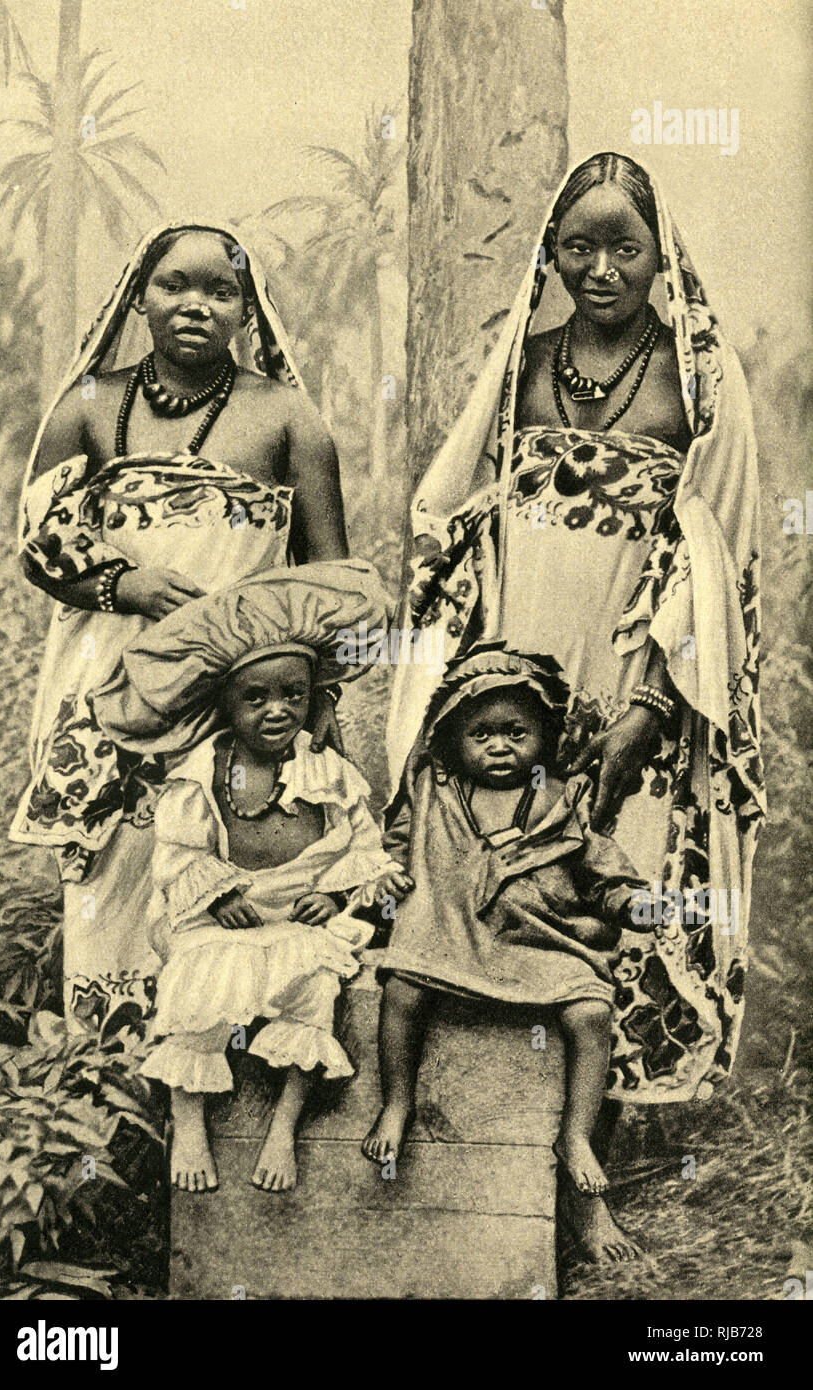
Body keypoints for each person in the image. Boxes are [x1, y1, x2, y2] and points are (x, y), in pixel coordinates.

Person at [387, 154, 765, 1260]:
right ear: (548, 257)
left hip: (638, 674)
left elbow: (722, 548)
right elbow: (455, 514)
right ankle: (487, 1166)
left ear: (663, 256)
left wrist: (652, 701)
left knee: (611, 889)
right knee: (501, 888)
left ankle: (580, 1185)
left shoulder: (700, 381)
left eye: (625, 248)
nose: (601, 269)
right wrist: (470, 673)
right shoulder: (523, 366)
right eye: (577, 248)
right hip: (518, 673)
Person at [10, 223, 348, 1036]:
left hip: (239, 688)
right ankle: (111, 1081)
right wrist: (126, 582)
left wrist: (323, 695)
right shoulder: (87, 405)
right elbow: (37, 540)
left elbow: (332, 574)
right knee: (113, 876)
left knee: (225, 865)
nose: (195, 304)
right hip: (108, 688)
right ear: (139, 296)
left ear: (246, 309)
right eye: (174, 285)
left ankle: (214, 1096)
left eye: (219, 290)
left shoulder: (286, 417)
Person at [93, 559, 396, 1193]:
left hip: (295, 915)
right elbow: (177, 854)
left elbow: (361, 849)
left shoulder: (327, 772)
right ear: (222, 704)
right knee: (197, 982)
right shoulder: (202, 772)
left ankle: (284, 1124)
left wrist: (335, 895)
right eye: (255, 698)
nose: (277, 711)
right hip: (217, 913)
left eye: (293, 694)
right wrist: (218, 887)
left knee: (315, 988)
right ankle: (190, 1113)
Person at [363, 645, 654, 1196]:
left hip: (538, 940)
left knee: (590, 1010)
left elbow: (600, 869)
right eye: (482, 735)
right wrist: (387, 876)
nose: (500, 746)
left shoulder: (564, 799)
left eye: (516, 733)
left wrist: (628, 904)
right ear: (452, 738)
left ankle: (575, 1136)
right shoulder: (435, 793)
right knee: (401, 987)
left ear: (545, 737)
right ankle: (397, 1102)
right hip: (447, 931)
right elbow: (397, 845)